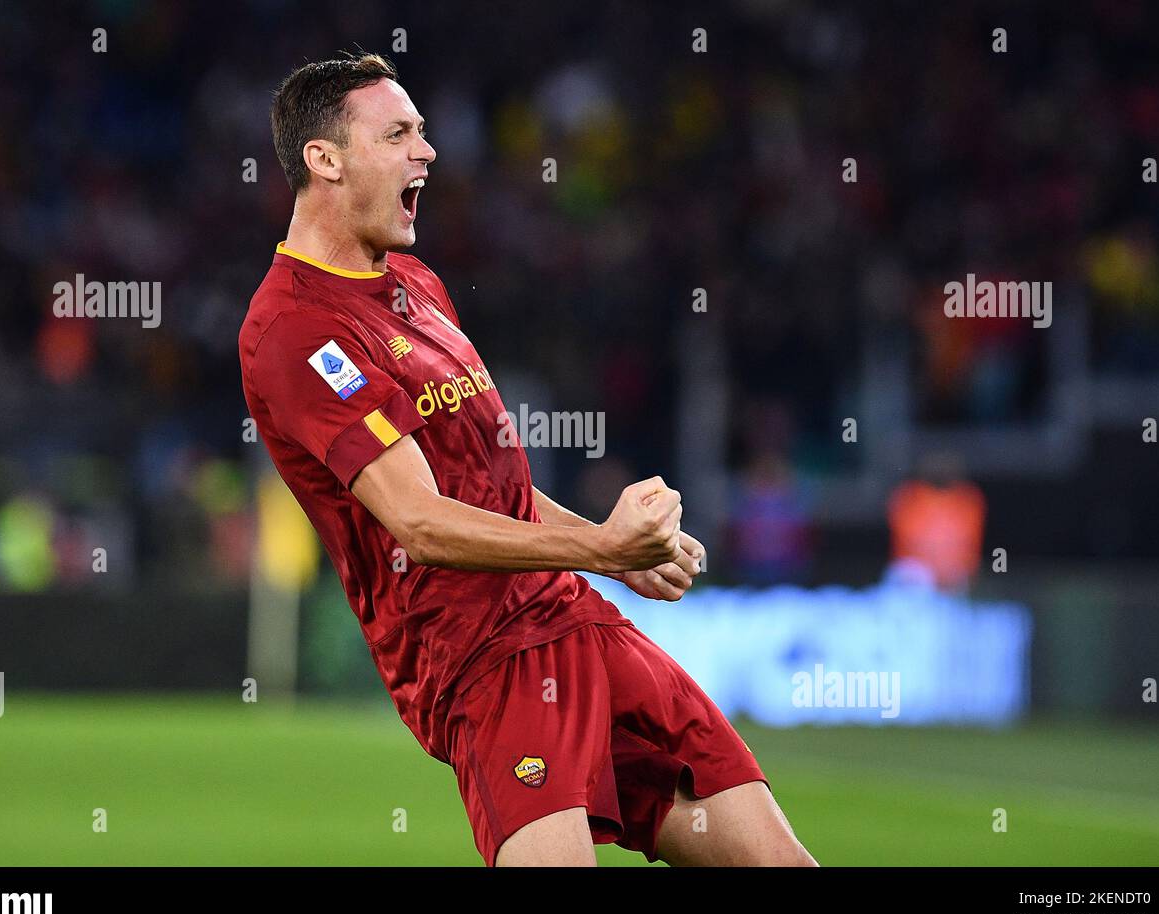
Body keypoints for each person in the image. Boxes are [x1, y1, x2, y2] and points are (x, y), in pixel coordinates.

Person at [238, 51, 816, 867]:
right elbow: (420, 521)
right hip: (479, 658)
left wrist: (613, 564)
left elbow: (496, 487)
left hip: (573, 618)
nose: (427, 152)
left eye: (425, 132)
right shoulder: (294, 331)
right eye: (399, 133)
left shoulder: (416, 283)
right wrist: (605, 547)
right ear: (324, 159)